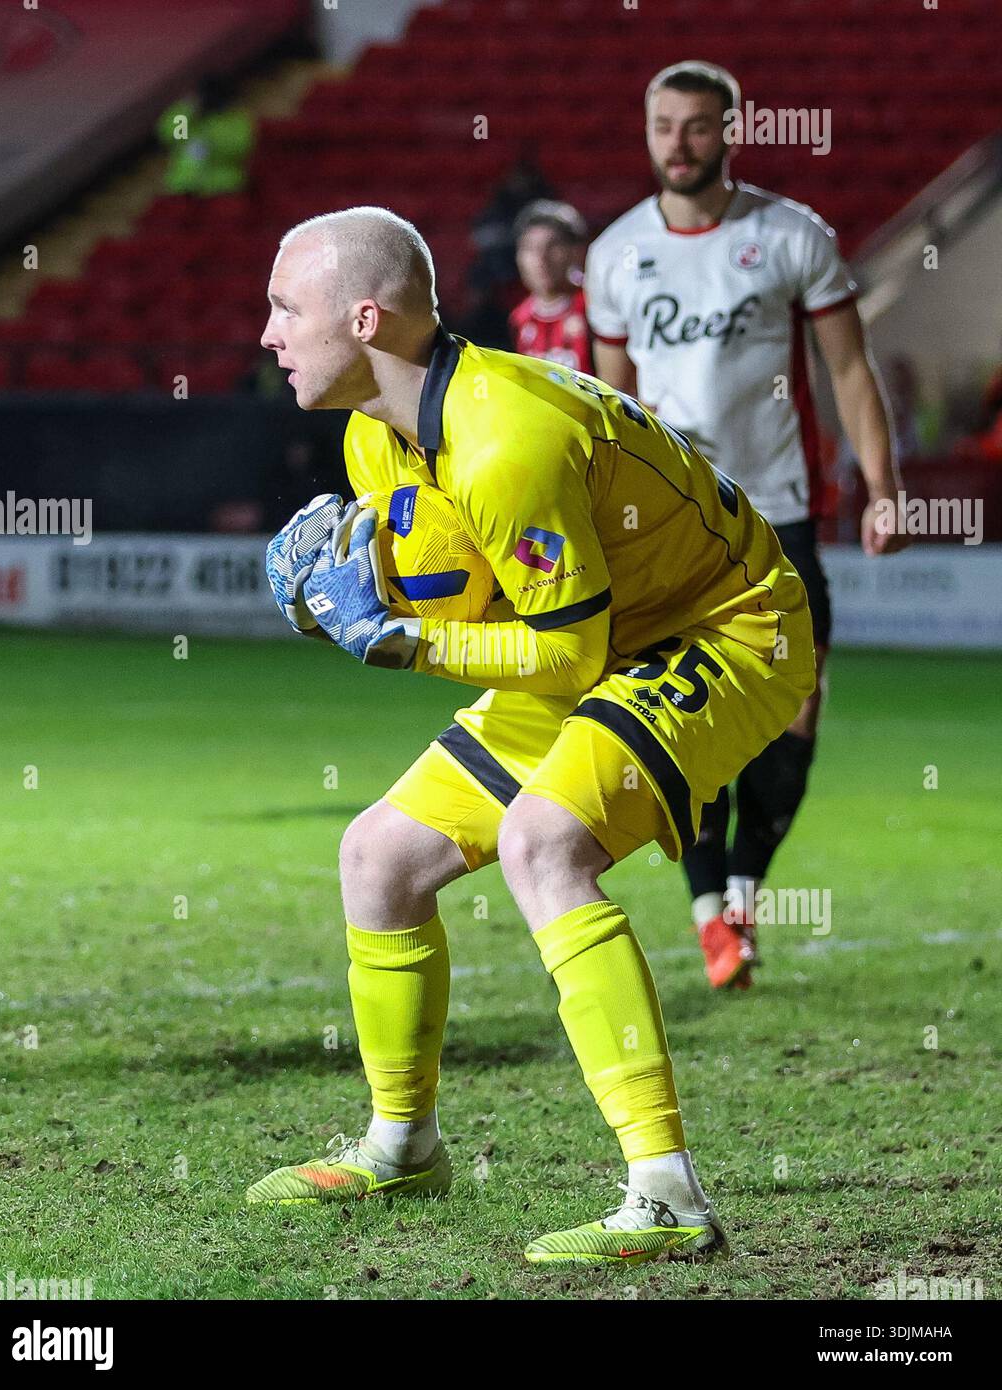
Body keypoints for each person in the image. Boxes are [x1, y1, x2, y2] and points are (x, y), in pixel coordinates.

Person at [251, 207, 816, 1264]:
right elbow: (498, 603)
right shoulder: (373, 435)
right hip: (608, 637)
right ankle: (402, 1147)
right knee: (377, 858)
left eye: (286, 308)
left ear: (364, 319)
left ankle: (667, 1196)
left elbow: (564, 651)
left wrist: (401, 639)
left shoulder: (506, 438)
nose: (268, 334)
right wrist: (366, 595)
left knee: (543, 844)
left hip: (726, 626)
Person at [585, 61, 907, 990]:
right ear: (646, 132)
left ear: (730, 132)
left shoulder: (792, 236)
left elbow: (849, 369)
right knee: (691, 718)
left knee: (797, 711)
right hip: (674, 526)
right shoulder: (615, 254)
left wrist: (883, 485)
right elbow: (610, 404)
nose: (678, 144)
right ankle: (711, 915)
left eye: (696, 126)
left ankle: (741, 894)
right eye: (663, 126)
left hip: (781, 510)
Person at [510, 200, 594, 373]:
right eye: (530, 248)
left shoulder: (593, 305)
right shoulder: (519, 318)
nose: (541, 258)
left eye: (553, 246)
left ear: (575, 252)